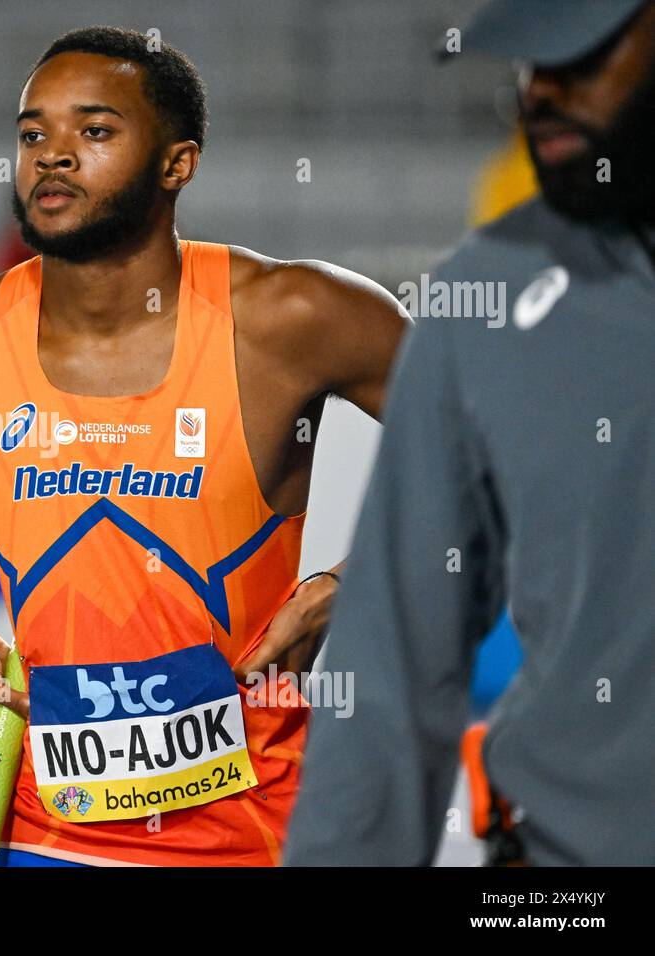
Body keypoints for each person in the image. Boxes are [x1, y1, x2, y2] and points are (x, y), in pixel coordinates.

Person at [0, 26, 407, 866]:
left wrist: (350, 585)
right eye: (33, 133)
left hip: (265, 835)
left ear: (177, 164)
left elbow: (498, 455)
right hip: (51, 836)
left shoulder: (293, 320)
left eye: (95, 131)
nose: (52, 156)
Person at [284, 0, 655, 866]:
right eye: (528, 62)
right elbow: (388, 675)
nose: (541, 89)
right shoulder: (485, 302)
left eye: (584, 55)